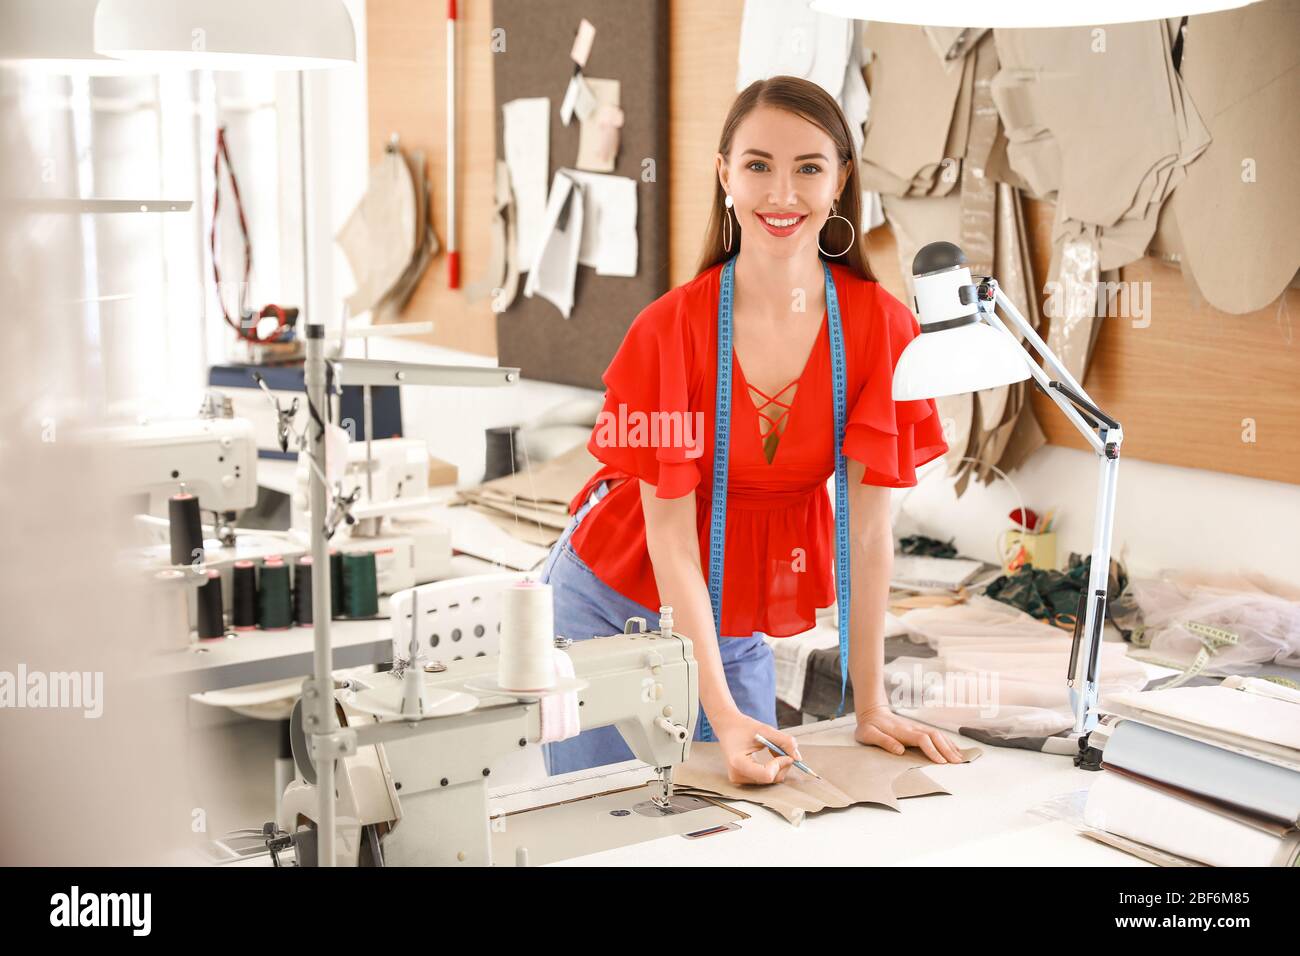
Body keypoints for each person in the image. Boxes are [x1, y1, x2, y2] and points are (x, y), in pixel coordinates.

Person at [539, 75, 963, 784]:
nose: (782, 194)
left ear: (841, 180)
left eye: (808, 168)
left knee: (743, 825)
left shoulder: (879, 329)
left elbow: (865, 533)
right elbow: (671, 538)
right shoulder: (670, 332)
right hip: (611, 614)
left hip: (731, 626)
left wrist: (871, 702)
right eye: (758, 165)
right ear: (724, 174)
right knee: (607, 825)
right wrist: (723, 713)